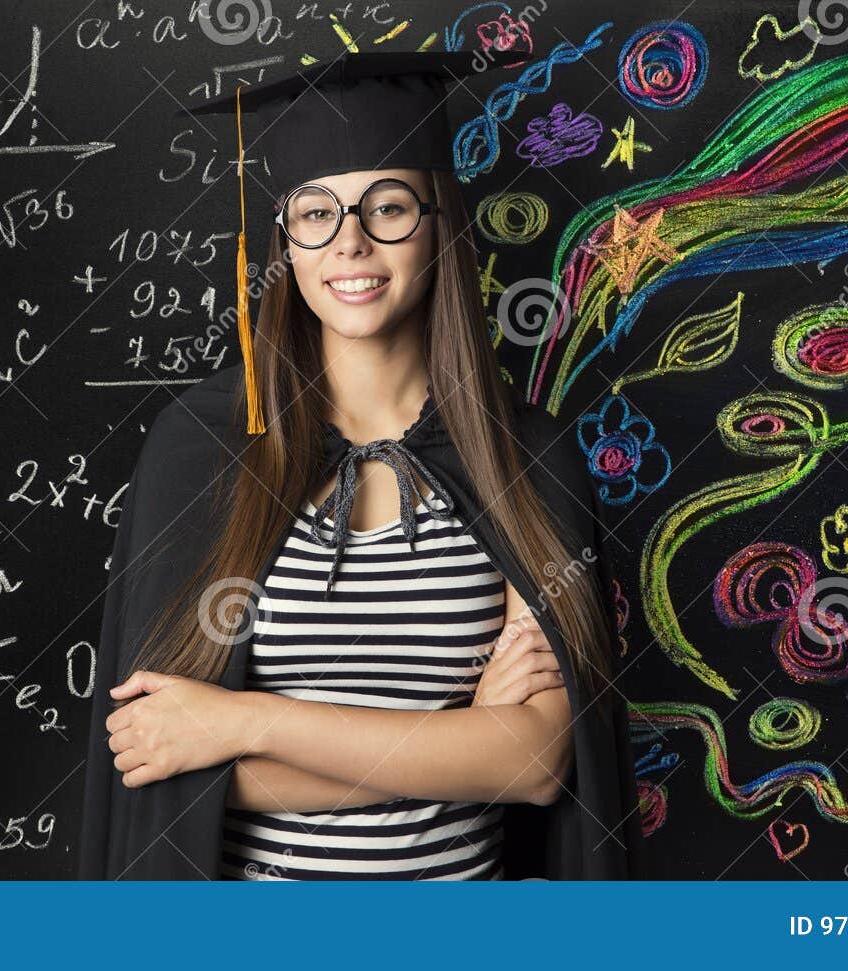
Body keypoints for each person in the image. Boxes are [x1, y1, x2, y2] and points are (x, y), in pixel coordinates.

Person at [78, 50, 644, 880]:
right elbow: (157, 755)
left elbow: (534, 763)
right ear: (286, 240)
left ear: (439, 221)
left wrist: (243, 723)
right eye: (315, 213)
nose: (350, 242)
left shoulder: (522, 454)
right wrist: (458, 746)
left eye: (387, 207)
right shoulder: (202, 448)